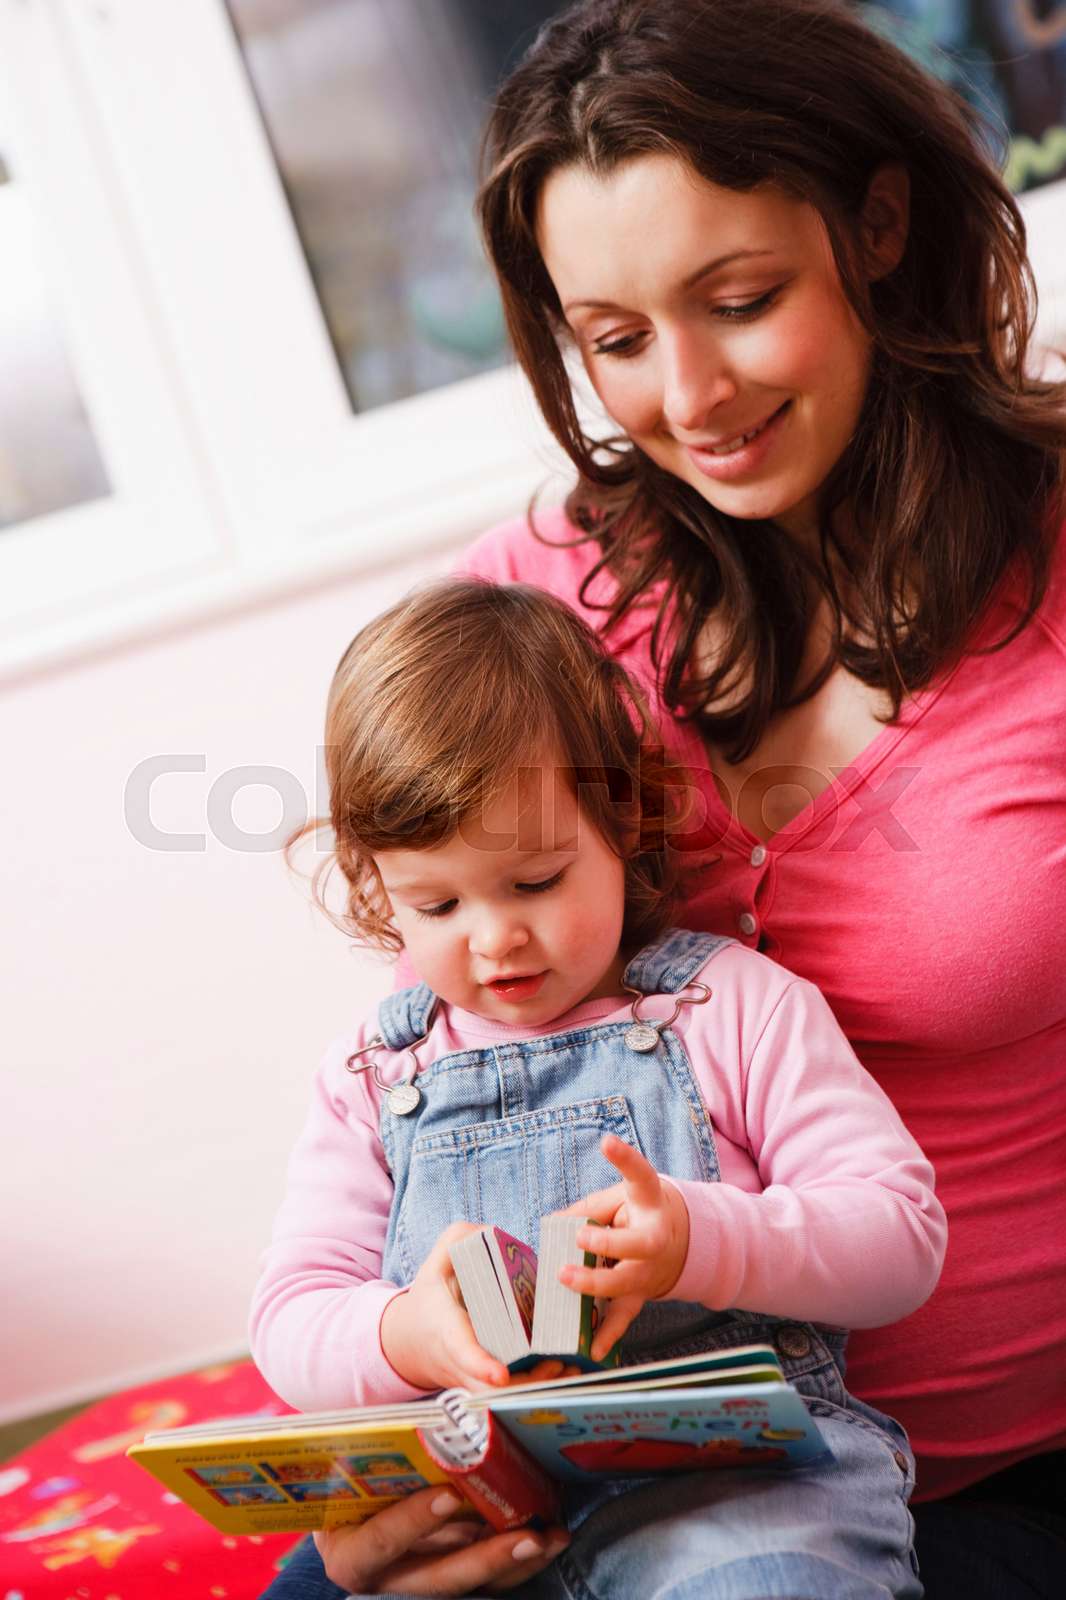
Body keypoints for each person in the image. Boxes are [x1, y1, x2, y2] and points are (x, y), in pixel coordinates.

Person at [257, 0, 1066, 1593]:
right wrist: (405, 1466)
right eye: (615, 340)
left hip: (988, 1470)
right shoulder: (532, 609)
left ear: (879, 229)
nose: (686, 396)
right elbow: (451, 1057)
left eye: (740, 300)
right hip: (588, 1458)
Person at [252, 576, 946, 1600]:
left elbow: (900, 1238)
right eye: (435, 902)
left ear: (622, 818)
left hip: (736, 1497)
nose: (495, 939)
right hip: (496, 1514)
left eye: (535, 880)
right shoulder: (377, 1070)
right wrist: (406, 1332)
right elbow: (290, 1315)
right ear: (371, 883)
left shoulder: (731, 1005)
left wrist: (699, 1241)